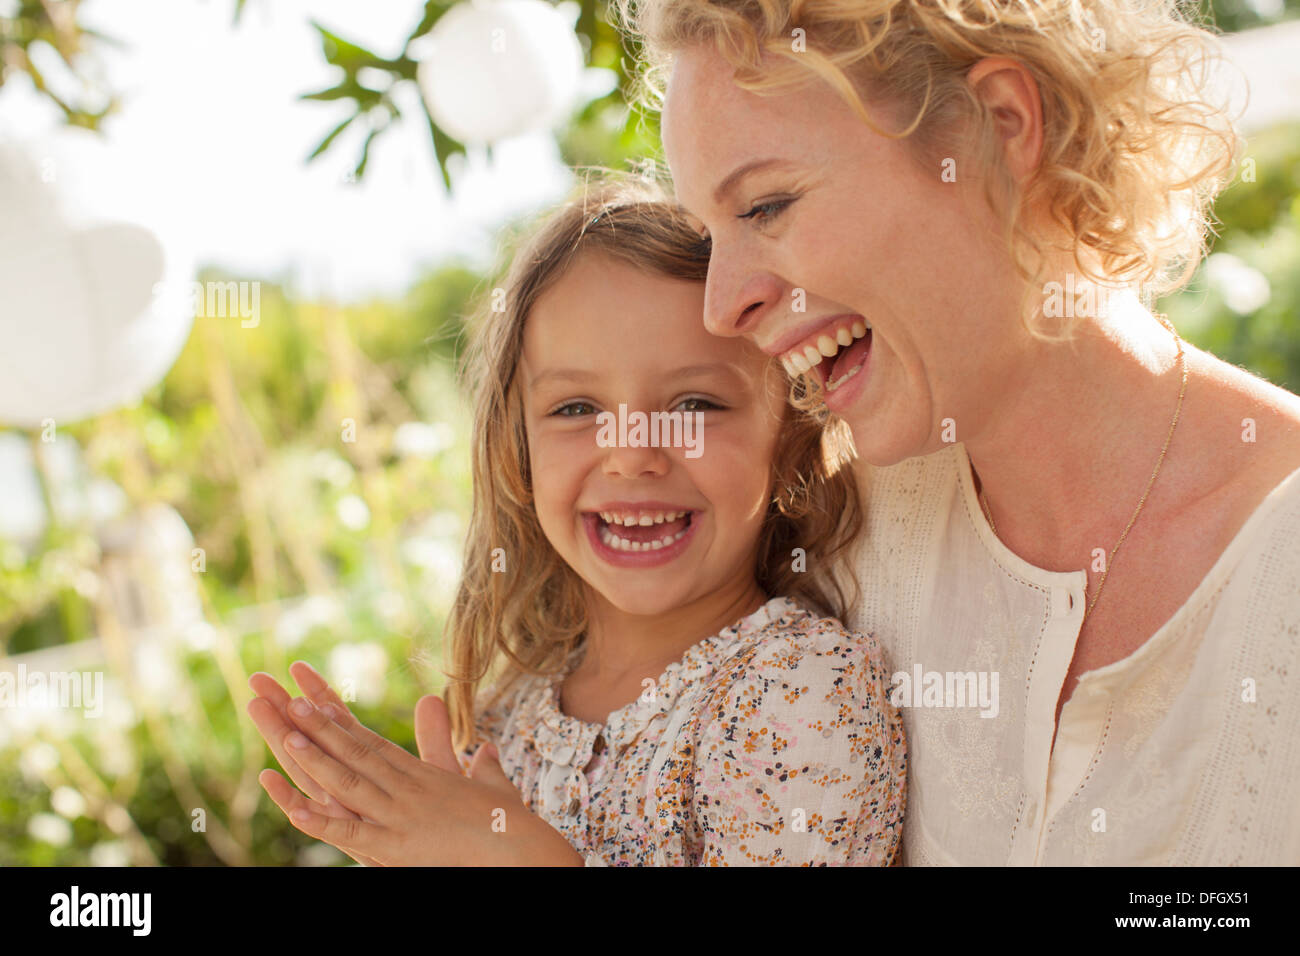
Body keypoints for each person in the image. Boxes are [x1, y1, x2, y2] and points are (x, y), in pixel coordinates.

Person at [613, 0, 1300, 863]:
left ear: (1002, 125)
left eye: (767, 205)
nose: (723, 306)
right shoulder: (833, 546)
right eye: (711, 237)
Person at [245, 175, 906, 866]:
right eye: (576, 409)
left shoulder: (799, 697)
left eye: (694, 406)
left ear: (790, 435)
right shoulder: (506, 719)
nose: (631, 456)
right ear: (518, 453)